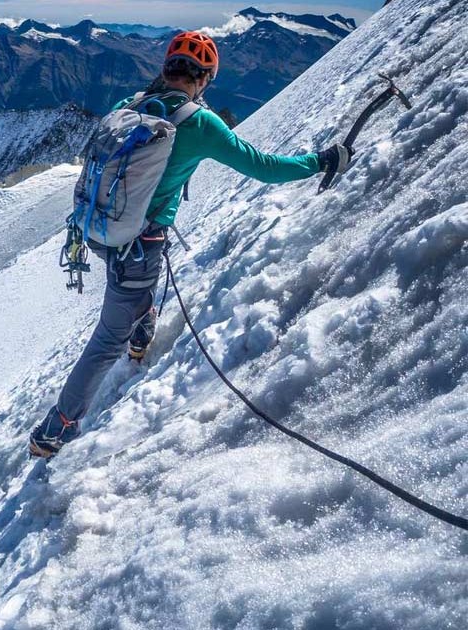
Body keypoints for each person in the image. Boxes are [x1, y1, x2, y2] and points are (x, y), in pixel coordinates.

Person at [28, 31, 353, 458]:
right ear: (204, 79)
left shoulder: (131, 104)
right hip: (140, 243)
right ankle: (57, 427)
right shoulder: (199, 123)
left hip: (103, 232)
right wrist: (320, 161)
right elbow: (265, 168)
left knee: (132, 294)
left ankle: (141, 332)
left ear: (167, 68)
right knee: (108, 338)